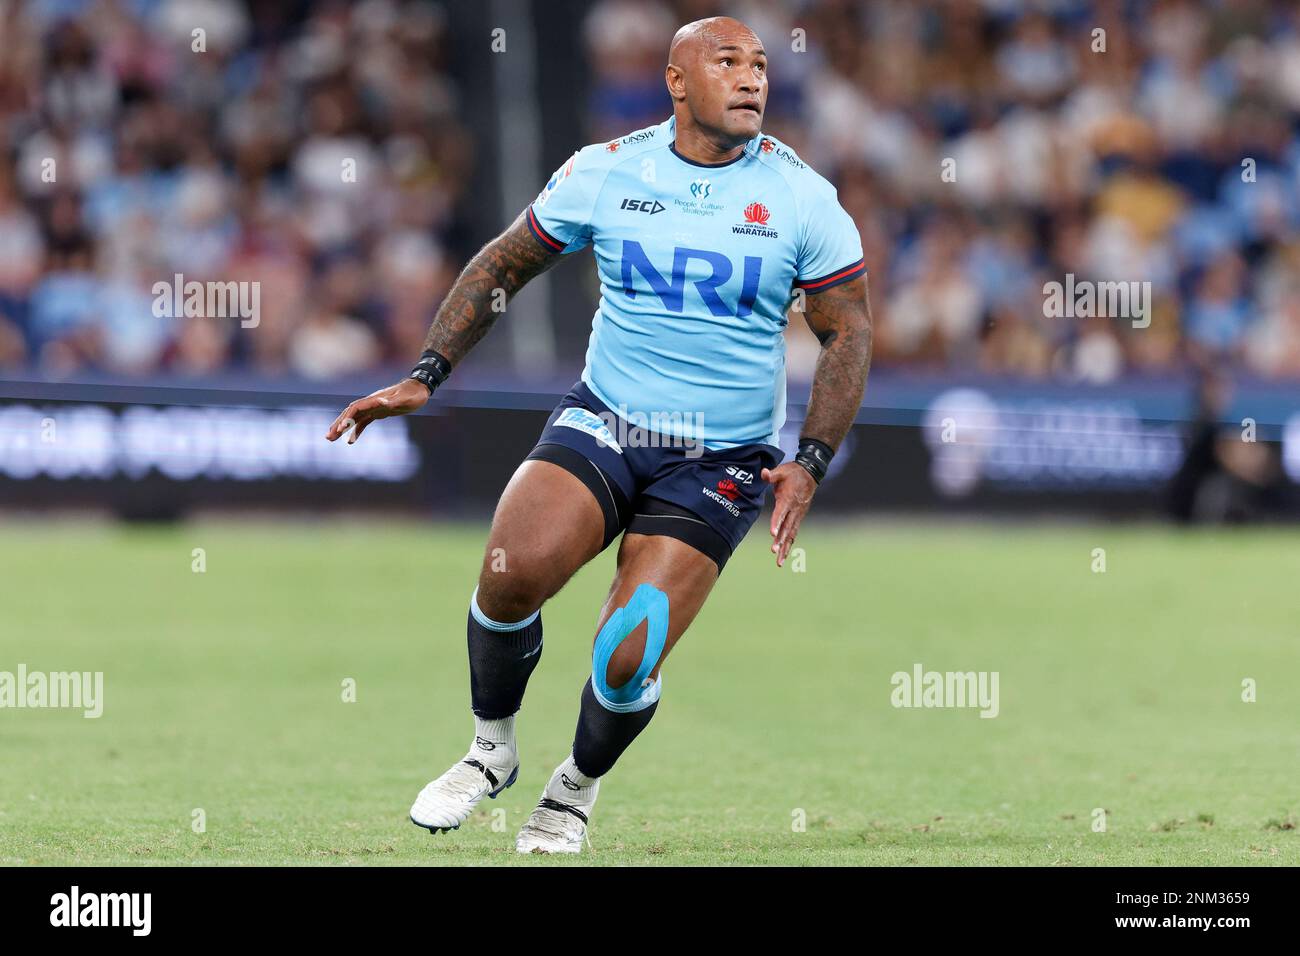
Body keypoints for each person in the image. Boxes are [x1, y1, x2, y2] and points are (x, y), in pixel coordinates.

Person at [326, 16, 873, 854]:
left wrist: (809, 460)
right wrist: (424, 374)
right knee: (511, 572)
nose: (753, 77)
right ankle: (490, 750)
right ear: (677, 82)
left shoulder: (803, 197)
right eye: (728, 61)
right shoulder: (609, 171)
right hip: (607, 420)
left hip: (722, 458)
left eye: (760, 64)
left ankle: (573, 790)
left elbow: (850, 331)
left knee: (629, 649)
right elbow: (502, 263)